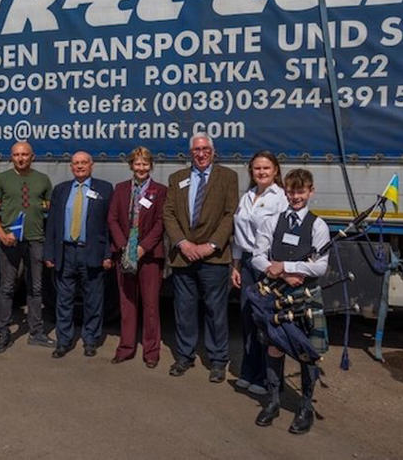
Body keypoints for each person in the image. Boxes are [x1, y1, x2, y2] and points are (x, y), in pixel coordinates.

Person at [249, 168, 330, 434]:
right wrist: (284, 273)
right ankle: (273, 401)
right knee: (275, 347)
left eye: (301, 191)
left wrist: (289, 266)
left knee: (307, 352)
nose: (296, 196)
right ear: (286, 191)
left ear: (311, 192)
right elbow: (258, 257)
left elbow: (320, 267)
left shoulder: (319, 225)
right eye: (292, 191)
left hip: (305, 296)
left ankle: (305, 406)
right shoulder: (271, 222)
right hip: (277, 294)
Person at [162, 134, 238, 382]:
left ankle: (218, 360)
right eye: (196, 149)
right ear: (190, 153)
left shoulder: (228, 177)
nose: (201, 153)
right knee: (184, 309)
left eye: (205, 149)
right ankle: (184, 356)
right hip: (183, 256)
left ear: (213, 152)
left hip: (213, 257)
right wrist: (183, 244)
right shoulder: (177, 178)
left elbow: (230, 215)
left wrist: (211, 245)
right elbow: (169, 214)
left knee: (215, 311)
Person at [44, 152, 113, 358]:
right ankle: (63, 341)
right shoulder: (61, 190)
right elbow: (53, 225)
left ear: (92, 165)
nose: (80, 166)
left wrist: (108, 253)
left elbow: (110, 225)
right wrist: (50, 252)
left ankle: (90, 340)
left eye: (84, 163)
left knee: (94, 299)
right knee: (63, 300)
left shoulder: (105, 189)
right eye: (76, 163)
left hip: (92, 252)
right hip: (66, 252)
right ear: (71, 167)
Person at [0, 141, 54, 353]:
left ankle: (36, 332)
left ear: (32, 156)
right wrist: (1, 235)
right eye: (16, 154)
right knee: (7, 287)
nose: (21, 158)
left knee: (35, 287)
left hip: (35, 240)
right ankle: (3, 333)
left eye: (25, 154)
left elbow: (50, 209)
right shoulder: (2, 179)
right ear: (11, 157)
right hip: (10, 240)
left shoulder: (43, 180)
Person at [231, 151, 288, 395]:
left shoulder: (281, 198)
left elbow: (284, 236)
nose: (261, 172)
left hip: (267, 265)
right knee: (248, 320)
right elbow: (238, 235)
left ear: (275, 170)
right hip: (246, 263)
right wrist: (235, 265)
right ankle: (248, 372)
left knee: (268, 323)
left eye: (266, 168)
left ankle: (269, 378)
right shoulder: (248, 196)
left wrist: (277, 267)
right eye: (257, 169)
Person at [107, 146, 167, 368]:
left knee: (151, 305)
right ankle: (126, 347)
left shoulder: (160, 191)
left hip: (149, 255)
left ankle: (151, 351)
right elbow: (112, 219)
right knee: (127, 303)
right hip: (124, 254)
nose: (141, 168)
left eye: (145, 164)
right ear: (131, 165)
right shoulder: (121, 189)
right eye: (137, 163)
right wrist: (124, 246)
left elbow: (162, 222)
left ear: (151, 166)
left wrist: (142, 247)